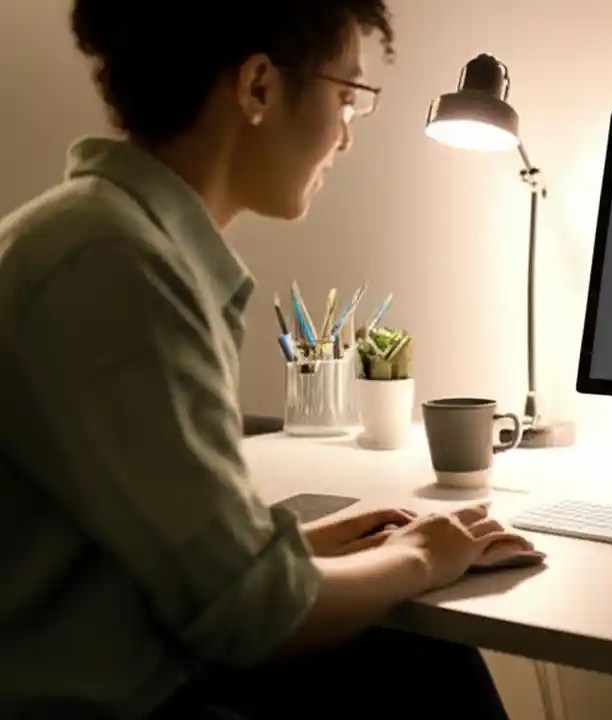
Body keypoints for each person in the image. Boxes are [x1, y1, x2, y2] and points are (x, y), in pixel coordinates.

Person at [0, 2, 541, 717]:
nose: (346, 136)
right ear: (258, 87)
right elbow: (250, 615)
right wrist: (423, 555)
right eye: (346, 96)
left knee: (410, 656)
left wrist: (294, 547)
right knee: (426, 671)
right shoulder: (115, 267)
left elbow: (136, 551)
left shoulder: (103, 235)